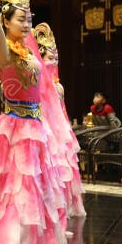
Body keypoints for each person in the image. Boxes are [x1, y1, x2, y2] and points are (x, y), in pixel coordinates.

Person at [0, 0, 68, 244]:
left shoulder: (30, 52)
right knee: (13, 191)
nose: (27, 23)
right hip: (15, 126)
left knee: (33, 189)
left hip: (35, 125)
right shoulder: (3, 52)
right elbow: (0, 46)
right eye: (21, 18)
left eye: (29, 18)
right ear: (6, 22)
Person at [34, 22, 86, 217]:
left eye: (56, 56)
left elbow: (61, 110)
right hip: (42, 125)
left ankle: (59, 210)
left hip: (57, 128)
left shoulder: (58, 86)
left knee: (60, 170)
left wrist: (66, 131)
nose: (54, 60)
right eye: (50, 56)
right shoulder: (37, 80)